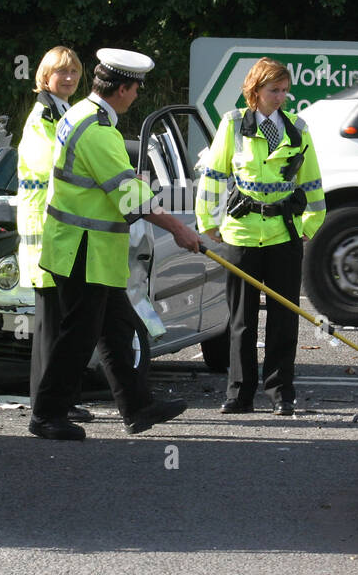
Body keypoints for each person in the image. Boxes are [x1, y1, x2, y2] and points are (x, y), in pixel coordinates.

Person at [30, 48, 203, 441]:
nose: (138, 95)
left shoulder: (80, 115)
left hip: (88, 250)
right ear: (122, 88)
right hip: (82, 251)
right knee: (80, 335)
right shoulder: (96, 131)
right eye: (137, 88)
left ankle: (137, 407)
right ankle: (46, 414)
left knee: (117, 328)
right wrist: (178, 228)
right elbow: (129, 195)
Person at [195, 57, 325, 416]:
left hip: (284, 235)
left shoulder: (297, 128)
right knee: (241, 321)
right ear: (256, 90)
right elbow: (214, 175)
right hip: (242, 235)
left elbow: (312, 183)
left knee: (285, 318)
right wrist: (207, 221)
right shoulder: (233, 124)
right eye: (274, 90)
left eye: (285, 90)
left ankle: (281, 393)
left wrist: (308, 227)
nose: (281, 97)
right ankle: (239, 393)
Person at [17, 46, 91, 423]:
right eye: (61, 72)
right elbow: (55, 163)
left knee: (61, 319)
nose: (69, 78)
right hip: (44, 231)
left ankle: (62, 399)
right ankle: (47, 403)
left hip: (58, 229)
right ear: (44, 77)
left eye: (75, 71)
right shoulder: (42, 118)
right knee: (50, 322)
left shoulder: (62, 112)